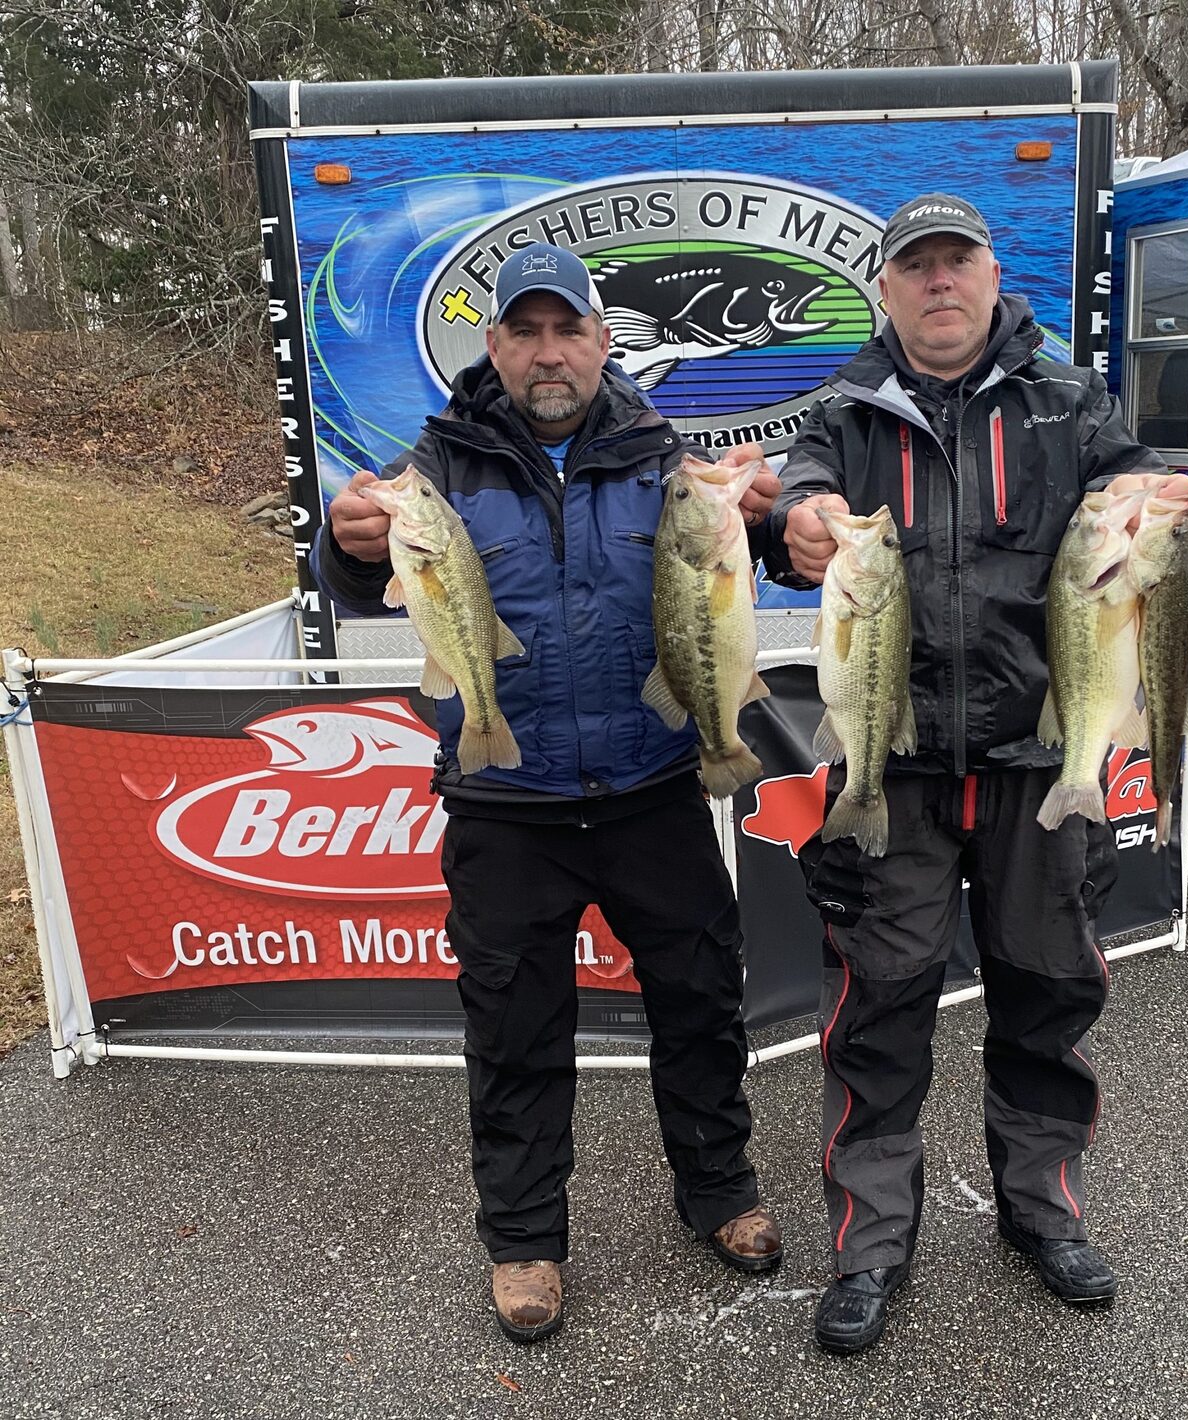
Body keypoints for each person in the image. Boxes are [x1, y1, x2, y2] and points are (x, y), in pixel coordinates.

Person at [312, 242, 783, 1344]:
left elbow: (753, 542)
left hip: (652, 787)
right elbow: (360, 568)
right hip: (504, 804)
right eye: (522, 332)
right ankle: (523, 1238)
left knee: (701, 1005)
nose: (546, 352)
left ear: (601, 341)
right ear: (492, 348)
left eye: (565, 328)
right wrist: (344, 548)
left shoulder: (665, 457)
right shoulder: (433, 464)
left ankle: (717, 1192)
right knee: (515, 1029)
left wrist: (766, 516)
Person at [761, 193, 1188, 1353]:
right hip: (889, 770)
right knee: (875, 1013)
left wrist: (1156, 492)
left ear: (992, 277)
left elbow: (1134, 471)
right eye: (916, 268)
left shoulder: (1067, 396)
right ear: (886, 288)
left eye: (958, 263)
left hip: (1038, 763)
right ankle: (868, 1238)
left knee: (1049, 994)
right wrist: (797, 524)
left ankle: (1039, 1206)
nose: (938, 283)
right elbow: (797, 496)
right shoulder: (847, 410)